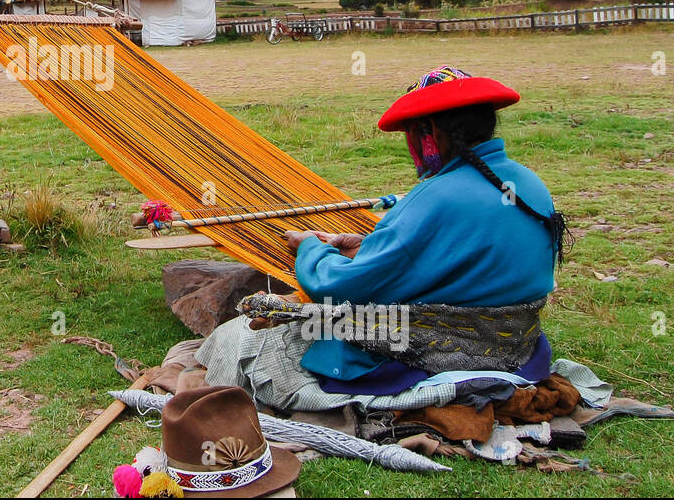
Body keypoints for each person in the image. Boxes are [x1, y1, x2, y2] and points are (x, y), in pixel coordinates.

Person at [197, 65, 566, 404]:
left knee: (242, 338)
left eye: (415, 134)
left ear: (432, 133)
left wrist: (310, 247)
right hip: (517, 351)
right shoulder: (528, 183)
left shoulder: (435, 197)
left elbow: (338, 288)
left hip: (432, 353)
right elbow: (461, 257)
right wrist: (365, 247)